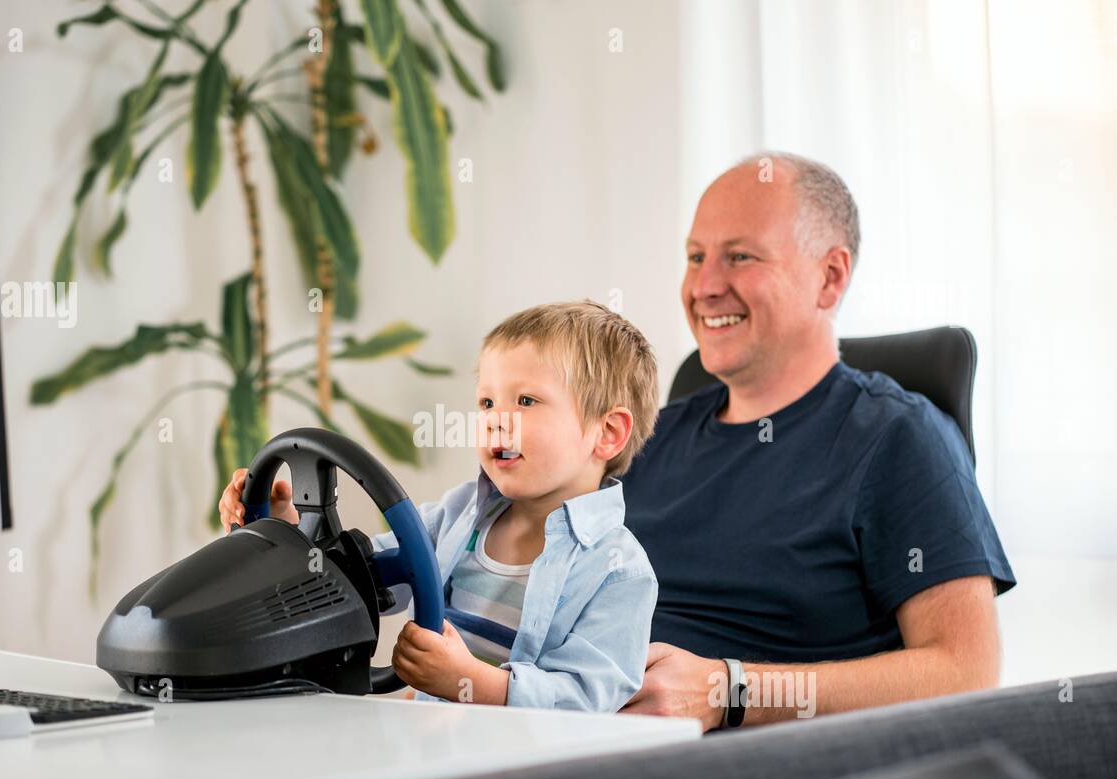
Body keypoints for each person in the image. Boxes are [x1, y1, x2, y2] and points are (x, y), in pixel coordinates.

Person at [618, 152, 1015, 730]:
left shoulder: (898, 437)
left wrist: (728, 690)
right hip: (595, 741)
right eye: (696, 257)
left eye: (739, 257)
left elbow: (966, 670)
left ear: (829, 278)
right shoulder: (651, 436)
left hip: (760, 775)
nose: (704, 286)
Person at [220, 301, 661, 712]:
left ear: (607, 433)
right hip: (427, 741)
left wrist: (471, 682)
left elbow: (587, 699)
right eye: (487, 402)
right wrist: (289, 527)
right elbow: (354, 580)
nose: (495, 420)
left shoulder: (620, 571)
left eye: (525, 401)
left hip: (521, 774)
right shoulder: (454, 517)